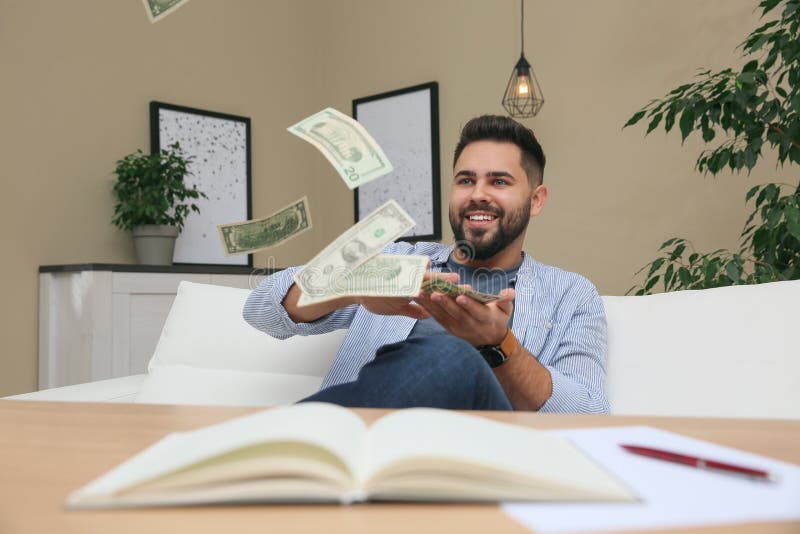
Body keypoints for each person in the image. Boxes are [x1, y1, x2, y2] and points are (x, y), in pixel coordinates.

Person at [244, 115, 608, 413]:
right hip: (371, 449)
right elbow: (261, 309)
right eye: (465, 180)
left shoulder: (571, 294)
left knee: (453, 355)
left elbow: (589, 416)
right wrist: (354, 286)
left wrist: (498, 345)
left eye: (499, 181)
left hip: (477, 457)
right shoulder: (400, 261)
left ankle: (283, 438)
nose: (478, 194)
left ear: (536, 200)